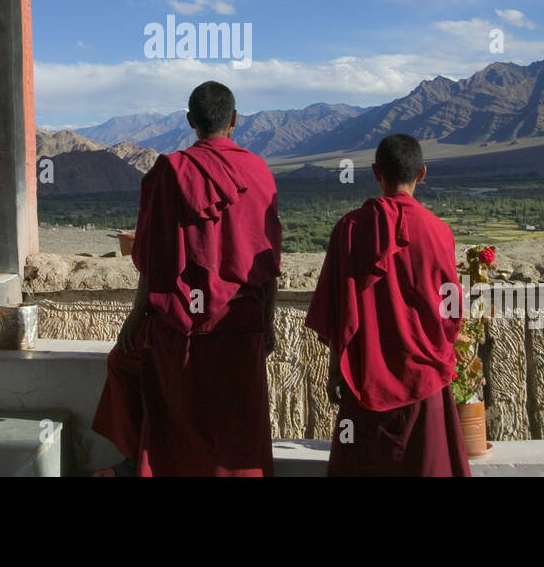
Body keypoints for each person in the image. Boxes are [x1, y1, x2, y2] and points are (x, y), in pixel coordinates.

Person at [91, 81, 282, 476]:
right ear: (234, 120)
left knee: (167, 422)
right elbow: (268, 260)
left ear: (190, 120)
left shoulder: (169, 172)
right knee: (236, 432)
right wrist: (268, 323)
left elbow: (152, 259)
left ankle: (132, 464)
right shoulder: (258, 171)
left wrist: (134, 316)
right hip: (241, 326)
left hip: (179, 328)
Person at [305, 133, 471, 476]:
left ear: (376, 172)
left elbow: (337, 312)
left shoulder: (349, 230)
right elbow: (451, 314)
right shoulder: (438, 231)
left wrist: (337, 369)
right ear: (422, 173)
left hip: (364, 383)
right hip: (425, 385)